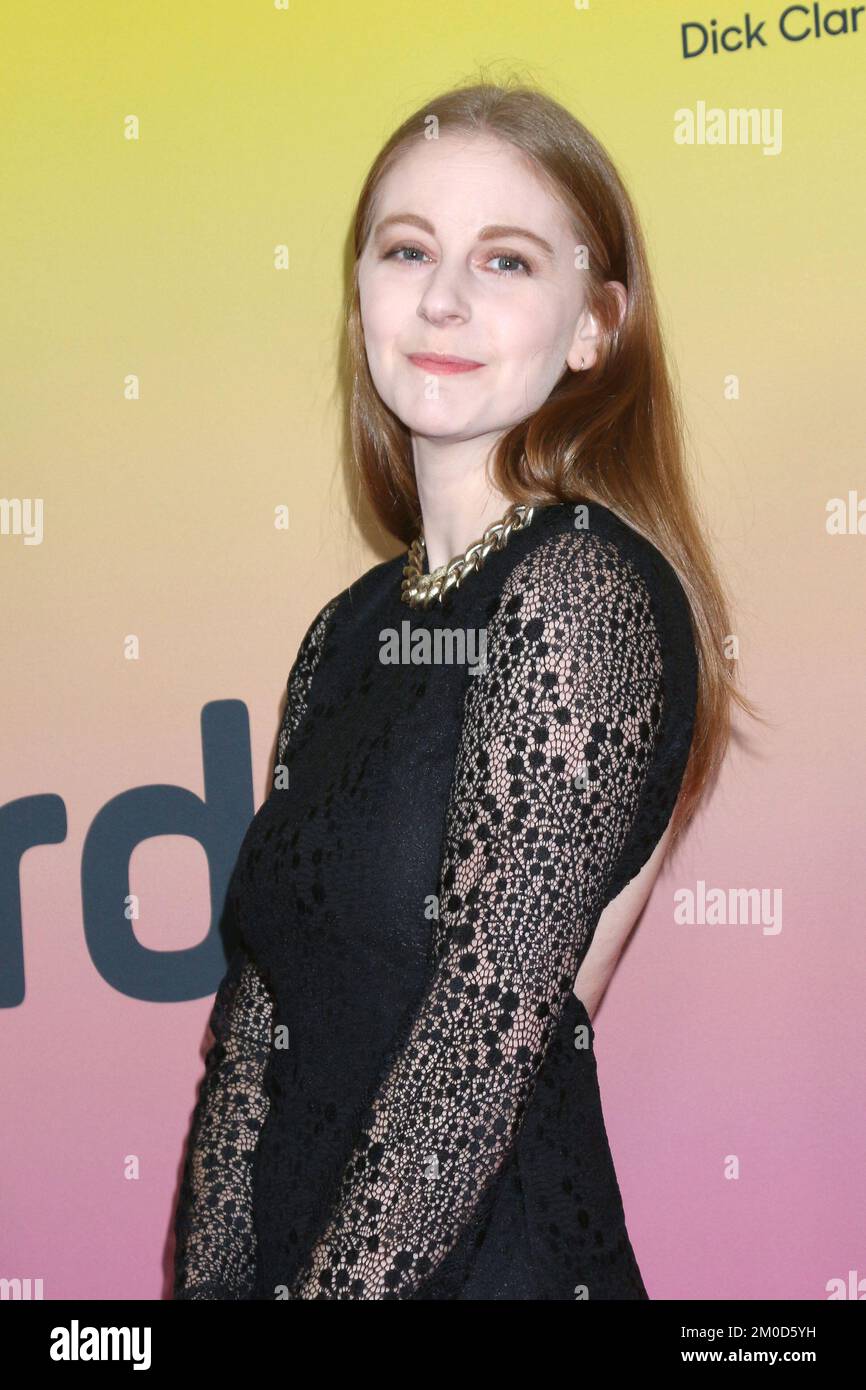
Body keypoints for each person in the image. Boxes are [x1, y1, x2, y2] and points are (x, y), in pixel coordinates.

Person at [172, 80, 759, 1301]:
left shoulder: (581, 590)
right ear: (361, 299)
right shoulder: (344, 633)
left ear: (592, 327)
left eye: (504, 260)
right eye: (406, 251)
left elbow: (477, 1036)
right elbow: (253, 1032)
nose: (441, 297)